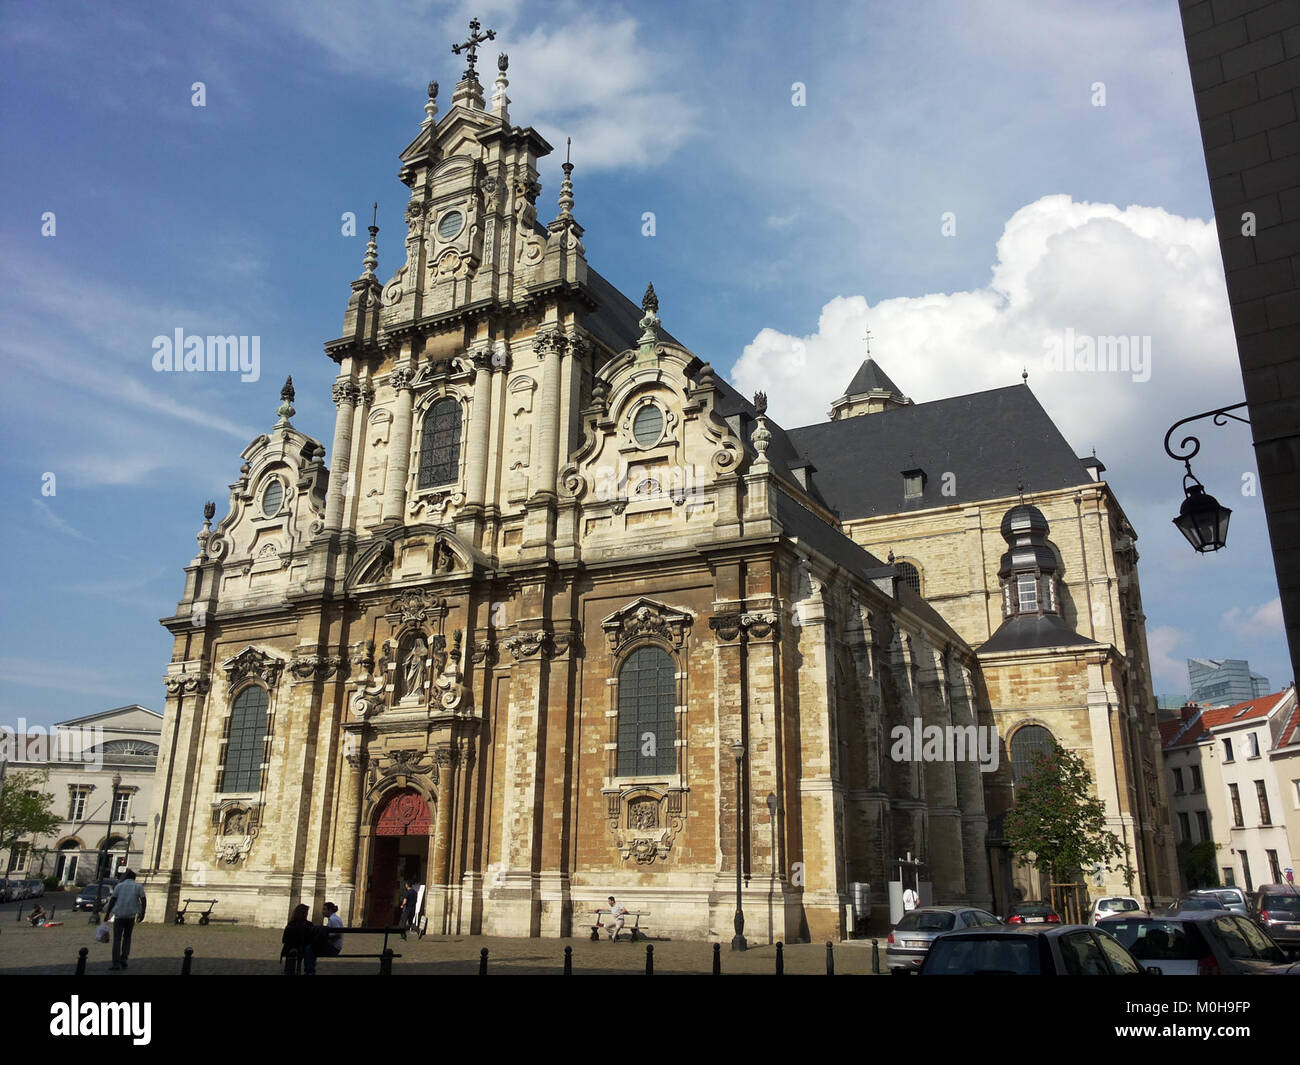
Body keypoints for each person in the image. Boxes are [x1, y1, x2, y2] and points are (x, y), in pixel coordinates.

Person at [104, 869, 146, 971]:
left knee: (117, 939)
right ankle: (124, 959)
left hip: (119, 916)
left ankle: (116, 963)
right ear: (134, 878)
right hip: (130, 916)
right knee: (127, 938)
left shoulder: (119, 886)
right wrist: (142, 913)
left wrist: (108, 913)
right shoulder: (138, 886)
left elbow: (113, 900)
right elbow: (143, 900)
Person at [281, 903, 316, 975]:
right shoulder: (309, 925)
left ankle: (289, 971)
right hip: (303, 948)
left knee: (291, 951)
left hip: (290, 948)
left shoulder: (290, 924)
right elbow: (312, 939)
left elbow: (284, 940)